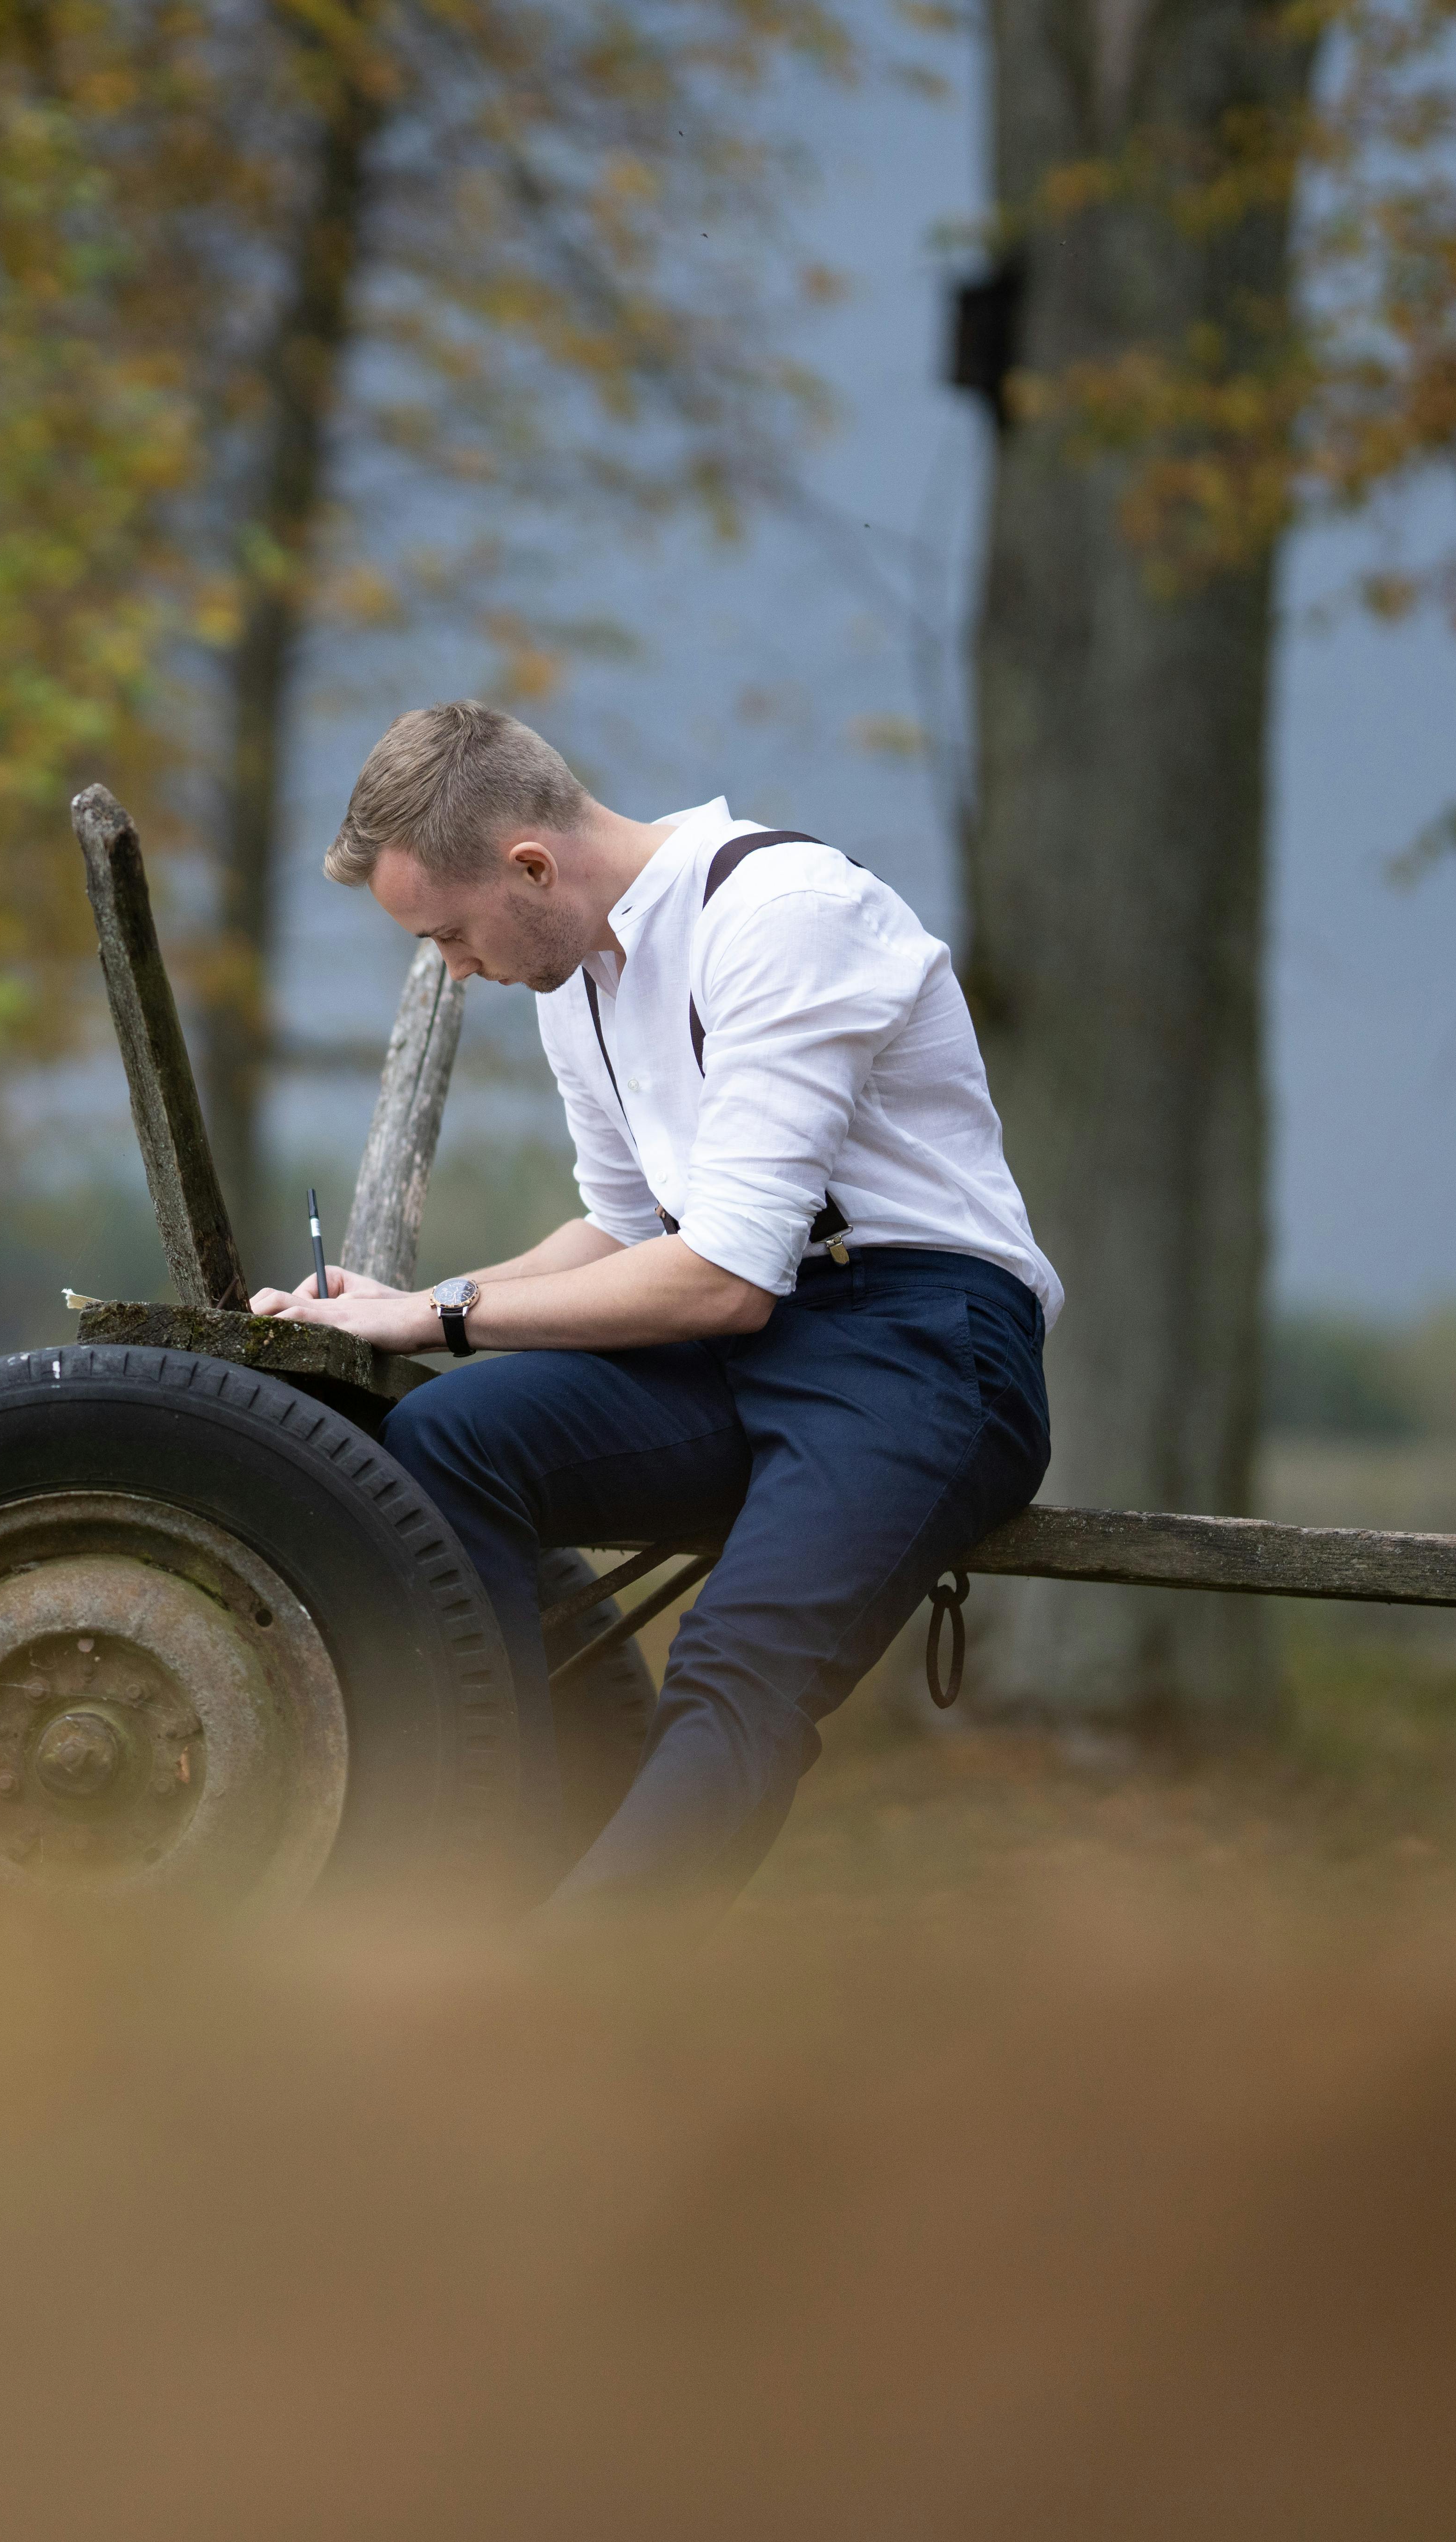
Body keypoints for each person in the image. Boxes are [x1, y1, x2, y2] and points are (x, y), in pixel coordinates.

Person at [250, 701, 1058, 1914]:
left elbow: (724, 1275)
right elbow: (628, 1230)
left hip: (923, 1338)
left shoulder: (785, 916)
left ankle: (563, 2004)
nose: (452, 969)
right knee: (448, 1445)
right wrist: (409, 1301)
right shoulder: (572, 980)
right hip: (744, 1333)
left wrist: (442, 1319)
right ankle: (482, 1874)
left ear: (531, 866)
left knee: (736, 1671)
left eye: (451, 933)